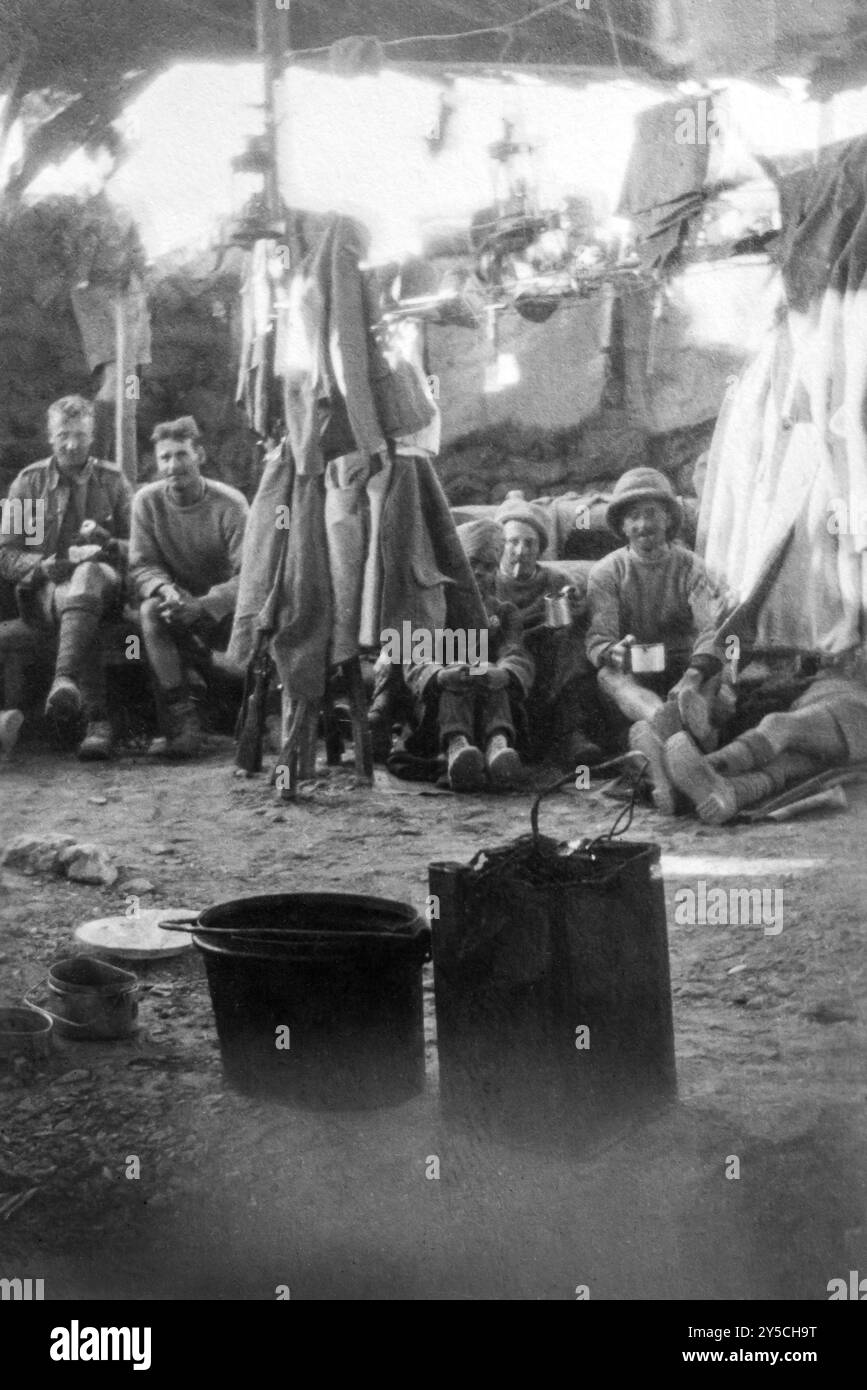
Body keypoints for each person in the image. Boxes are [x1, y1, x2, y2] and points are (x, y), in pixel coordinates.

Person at [585, 467, 729, 812]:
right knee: (607, 677)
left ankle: (660, 760)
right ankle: (666, 722)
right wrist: (612, 652)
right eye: (634, 516)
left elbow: (710, 631)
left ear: (668, 519)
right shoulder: (607, 572)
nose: (643, 525)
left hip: (683, 667)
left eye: (651, 513)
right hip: (636, 669)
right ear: (622, 526)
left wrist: (692, 676)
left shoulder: (692, 567)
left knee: (717, 673)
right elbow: (598, 637)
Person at [0, 394, 132, 759]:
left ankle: (65, 680)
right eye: (63, 436)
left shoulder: (111, 480)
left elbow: (140, 548)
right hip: (47, 593)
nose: (72, 444)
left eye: (80, 435)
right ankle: (96, 721)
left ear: (92, 436)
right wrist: (40, 567)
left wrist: (108, 542)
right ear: (50, 437)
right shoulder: (30, 484)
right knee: (78, 605)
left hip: (107, 590)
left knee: (88, 576)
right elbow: (6, 554)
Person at [129, 417, 248, 758]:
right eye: (165, 458)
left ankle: (264, 713)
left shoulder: (230, 505)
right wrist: (165, 591)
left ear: (200, 456)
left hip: (223, 609)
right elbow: (142, 565)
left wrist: (205, 604)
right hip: (175, 604)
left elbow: (253, 576)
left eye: (181, 455)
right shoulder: (146, 502)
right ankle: (183, 721)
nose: (172, 465)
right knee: (149, 611)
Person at [403, 519, 534, 791]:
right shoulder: (434, 610)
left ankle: (498, 747)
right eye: (471, 564)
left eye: (488, 567)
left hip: (492, 701)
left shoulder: (505, 612)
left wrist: (504, 672)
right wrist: (440, 675)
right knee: (459, 677)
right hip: (439, 707)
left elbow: (515, 649)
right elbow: (414, 655)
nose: (479, 573)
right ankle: (456, 748)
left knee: (488, 674)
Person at [662, 660, 867, 823]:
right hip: (818, 696)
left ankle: (705, 767)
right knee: (788, 759)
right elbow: (729, 642)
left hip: (853, 702)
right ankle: (730, 792)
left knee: (779, 726)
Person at [493, 496, 605, 769]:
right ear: (500, 546)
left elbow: (576, 613)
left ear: (540, 548)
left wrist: (578, 608)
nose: (521, 550)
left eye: (529, 543)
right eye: (513, 542)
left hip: (549, 654)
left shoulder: (557, 579)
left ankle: (572, 735)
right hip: (504, 651)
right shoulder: (488, 579)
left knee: (572, 639)